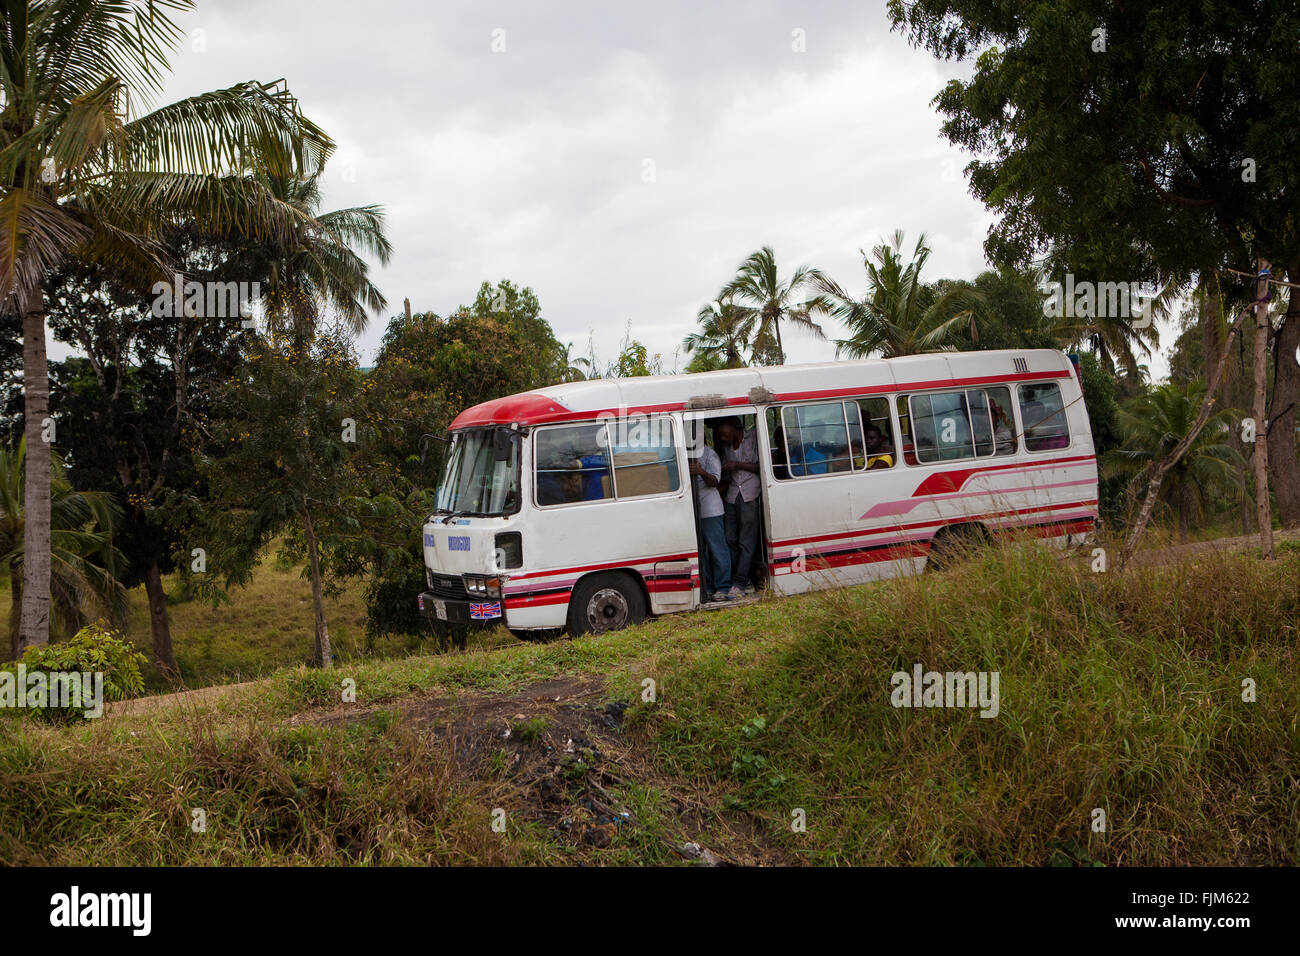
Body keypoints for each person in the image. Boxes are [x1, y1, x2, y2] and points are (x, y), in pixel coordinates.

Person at [716, 416, 761, 595]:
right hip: (733, 495)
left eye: (724, 434)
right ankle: (743, 577)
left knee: (746, 541)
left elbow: (761, 467)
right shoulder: (726, 448)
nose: (723, 439)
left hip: (750, 493)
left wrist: (737, 465)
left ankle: (741, 582)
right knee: (729, 539)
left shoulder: (754, 438)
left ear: (735, 427)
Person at [688, 436, 732, 602]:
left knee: (717, 550)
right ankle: (709, 586)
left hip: (711, 510)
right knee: (702, 553)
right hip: (694, 511)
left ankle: (723, 587)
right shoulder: (688, 455)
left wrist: (701, 472)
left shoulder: (710, 454)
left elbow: (715, 481)